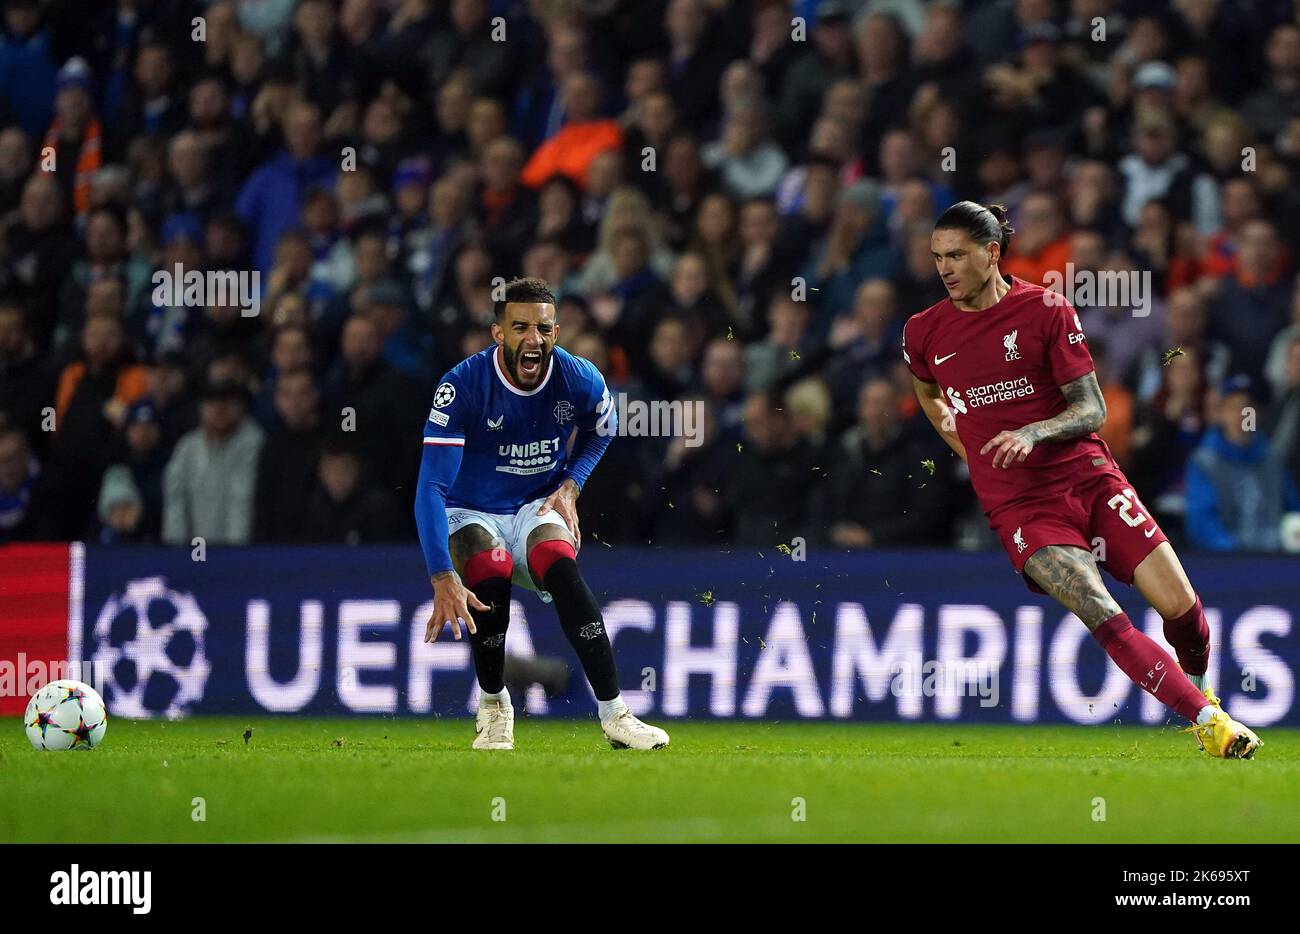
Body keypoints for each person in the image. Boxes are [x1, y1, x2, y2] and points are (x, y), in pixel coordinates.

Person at [903, 200, 1261, 758]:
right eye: (937, 258)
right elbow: (928, 393)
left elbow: (1091, 409)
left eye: (957, 255)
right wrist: (965, 443)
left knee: (1184, 614)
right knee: (1099, 608)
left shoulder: (1046, 309)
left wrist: (1034, 432)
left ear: (992, 253)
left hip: (1090, 480)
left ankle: (1204, 693)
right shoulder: (924, 332)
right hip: (1021, 505)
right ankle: (1209, 722)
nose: (944, 268)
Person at [414, 276, 669, 751]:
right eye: (521, 327)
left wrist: (573, 484)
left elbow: (603, 430)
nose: (534, 339)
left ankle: (616, 714)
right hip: (470, 511)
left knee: (559, 561)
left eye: (545, 329)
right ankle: (494, 706)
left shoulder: (579, 377)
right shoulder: (462, 386)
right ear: (498, 334)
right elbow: (430, 487)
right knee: (489, 567)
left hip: (538, 503)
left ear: (556, 332)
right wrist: (441, 576)